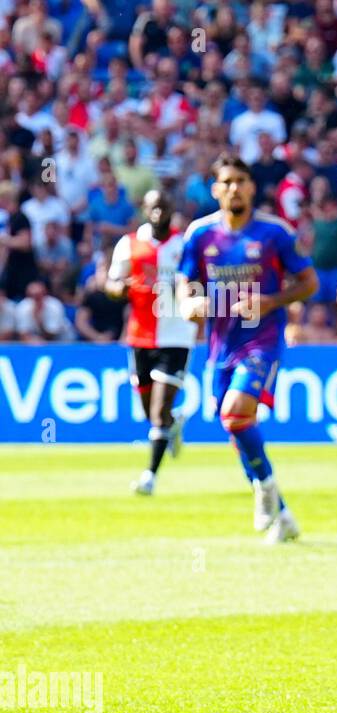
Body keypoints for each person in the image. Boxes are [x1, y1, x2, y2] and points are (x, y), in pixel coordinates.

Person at [177, 154, 318, 543]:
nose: (235, 188)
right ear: (215, 189)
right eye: (227, 181)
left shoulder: (274, 233)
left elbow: (308, 283)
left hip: (262, 339)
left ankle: (266, 488)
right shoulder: (199, 234)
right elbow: (185, 282)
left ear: (252, 187)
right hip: (221, 344)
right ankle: (282, 514)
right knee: (235, 428)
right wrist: (190, 302)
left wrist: (271, 302)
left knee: (235, 411)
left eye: (242, 180)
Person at [106, 190, 196, 495]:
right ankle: (173, 424)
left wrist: (189, 292)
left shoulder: (184, 245)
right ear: (145, 210)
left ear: (172, 210)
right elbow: (111, 282)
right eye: (153, 207)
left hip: (177, 335)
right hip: (140, 336)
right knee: (150, 412)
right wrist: (117, 289)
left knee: (157, 413)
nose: (158, 212)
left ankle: (150, 476)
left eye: (164, 207)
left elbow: (199, 283)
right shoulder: (128, 244)